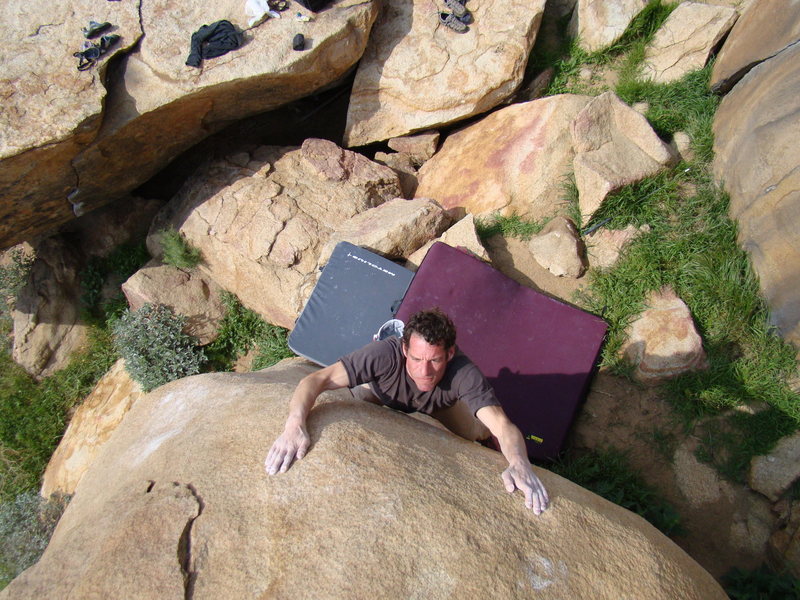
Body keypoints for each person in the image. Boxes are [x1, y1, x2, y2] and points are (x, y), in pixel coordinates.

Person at [265, 308, 549, 514]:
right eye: (416, 358)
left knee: (479, 429)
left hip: (440, 405)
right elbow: (316, 380)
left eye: (435, 360)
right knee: (357, 406)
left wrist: (519, 463)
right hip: (380, 394)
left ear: (450, 354)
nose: (424, 371)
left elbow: (503, 425)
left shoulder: (464, 373)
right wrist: (294, 425)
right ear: (403, 349)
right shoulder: (383, 355)